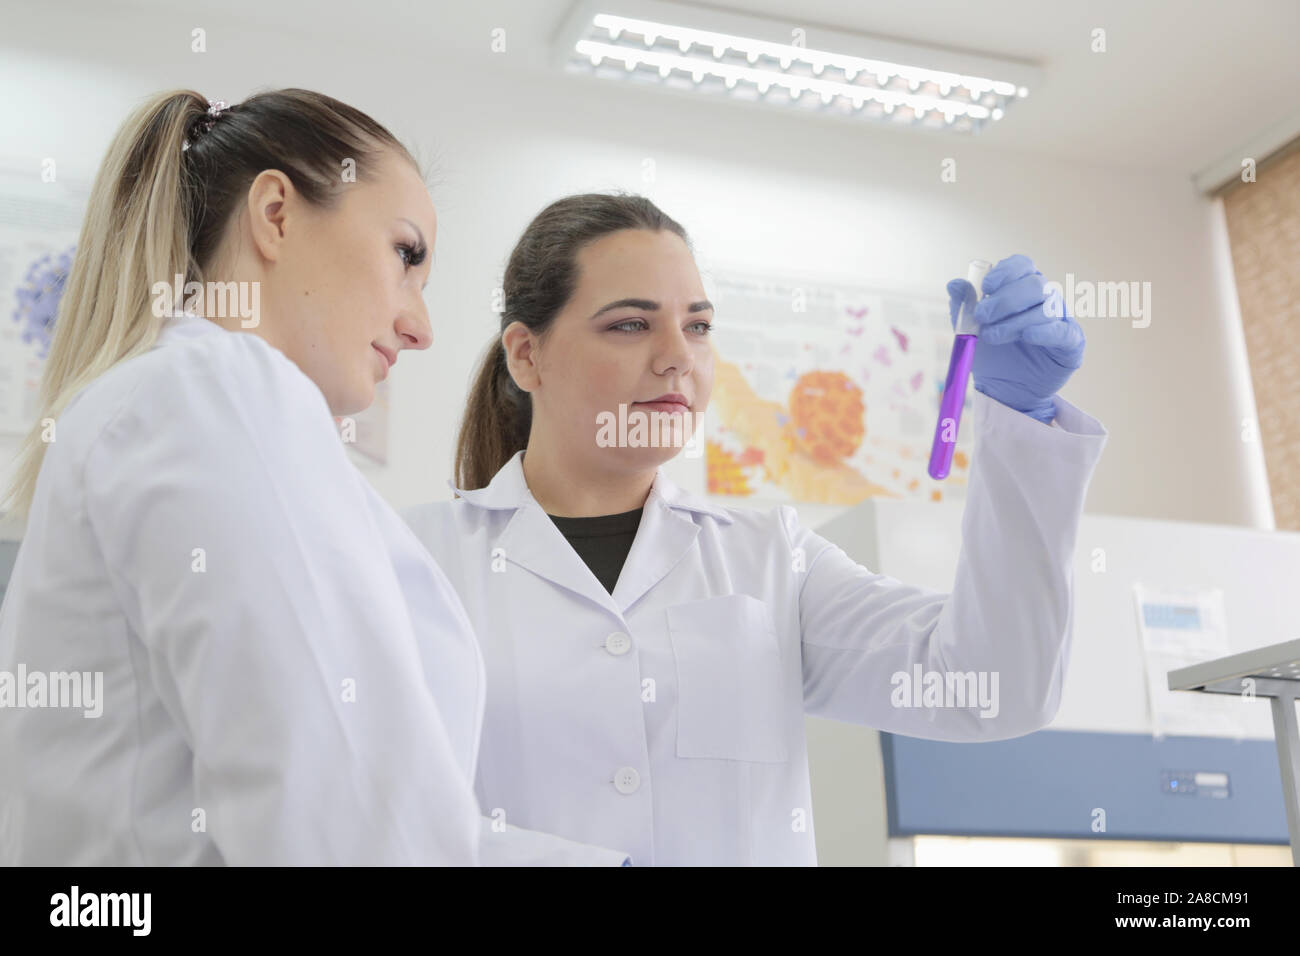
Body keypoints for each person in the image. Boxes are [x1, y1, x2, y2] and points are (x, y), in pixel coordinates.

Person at [0, 91, 625, 866]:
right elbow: (342, 817)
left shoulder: (186, 399)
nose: (421, 326)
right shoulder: (216, 388)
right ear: (276, 214)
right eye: (405, 255)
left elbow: (379, 811)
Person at [402, 193, 1110, 866]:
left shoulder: (771, 558)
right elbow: (367, 810)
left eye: (699, 325)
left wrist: (1021, 417)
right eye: (630, 323)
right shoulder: (418, 561)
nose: (678, 355)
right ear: (526, 354)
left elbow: (991, 687)